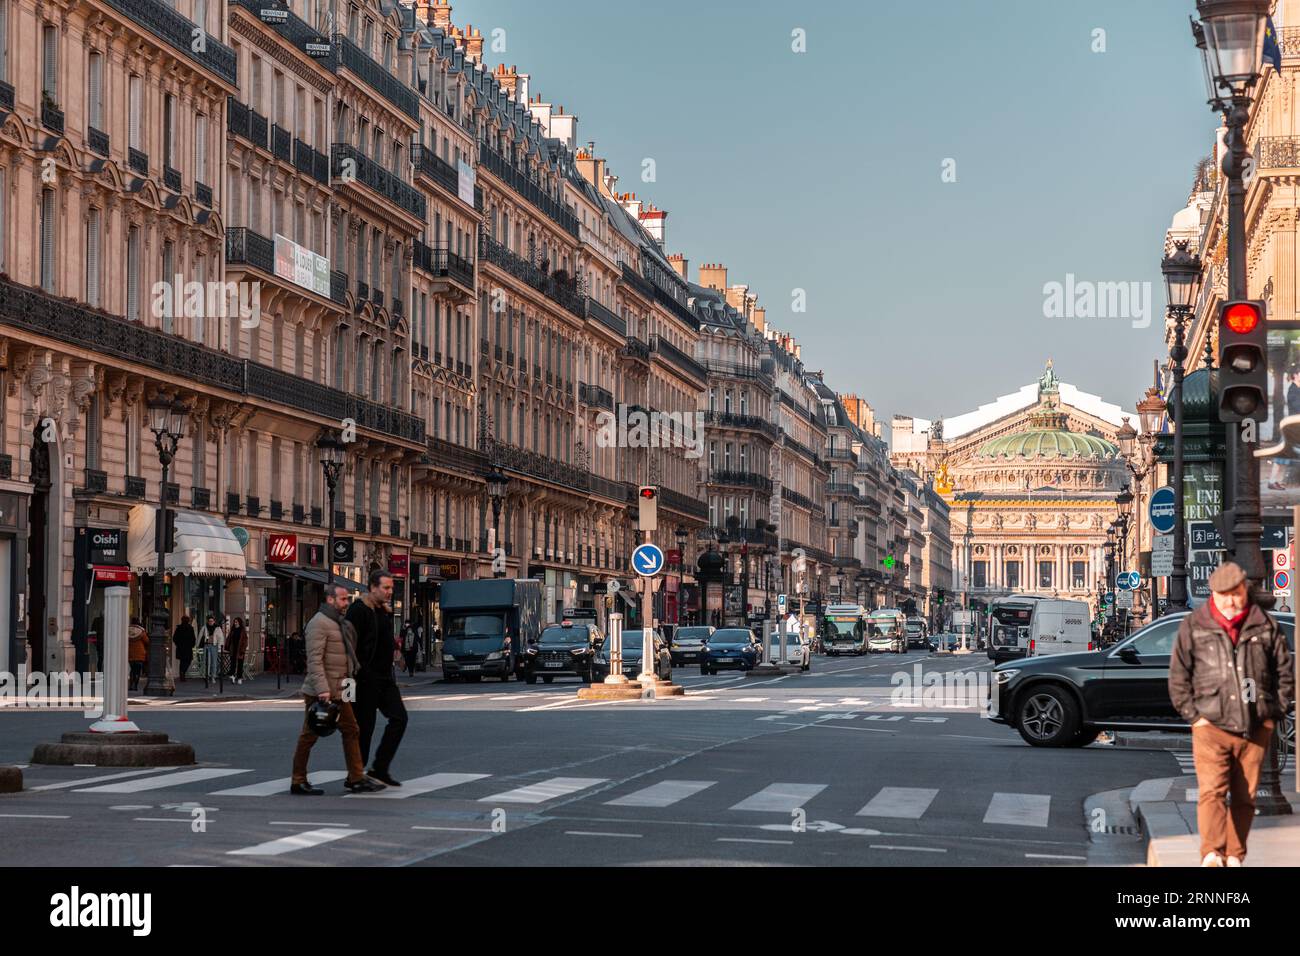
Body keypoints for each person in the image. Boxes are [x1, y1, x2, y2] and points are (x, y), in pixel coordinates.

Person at [1169, 561, 1295, 867]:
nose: (1231, 601)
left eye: (1236, 593)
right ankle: (1212, 852)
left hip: (1254, 725)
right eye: (1224, 595)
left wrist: (1271, 715)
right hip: (1210, 725)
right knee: (1212, 792)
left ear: (1244, 590)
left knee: (1244, 797)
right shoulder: (1195, 625)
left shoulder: (1264, 624)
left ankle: (1235, 855)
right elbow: (1178, 676)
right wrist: (1195, 718)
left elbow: (1285, 673)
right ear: (1213, 593)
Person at [291, 583, 384, 795]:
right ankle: (298, 779)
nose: (347, 603)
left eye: (347, 599)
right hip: (321, 692)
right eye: (343, 599)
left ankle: (356, 777)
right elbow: (314, 660)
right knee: (309, 736)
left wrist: (349, 689)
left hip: (340, 690)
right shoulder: (319, 623)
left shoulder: (339, 623)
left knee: (352, 730)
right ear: (330, 600)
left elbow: (345, 661)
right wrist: (322, 690)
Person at [347, 570, 407, 788]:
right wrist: (349, 681)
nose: (390, 592)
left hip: (384, 678)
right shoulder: (358, 610)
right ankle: (355, 775)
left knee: (400, 718)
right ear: (372, 587)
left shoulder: (382, 611)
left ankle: (380, 768)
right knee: (364, 728)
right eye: (386, 588)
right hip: (364, 678)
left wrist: (396, 652)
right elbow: (348, 644)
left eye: (391, 588)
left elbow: (384, 640)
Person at [197, 613, 224, 685]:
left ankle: (213, 677)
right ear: (207, 621)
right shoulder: (205, 627)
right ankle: (207, 676)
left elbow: (221, 638)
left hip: (214, 646)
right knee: (207, 661)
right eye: (209, 621)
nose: (210, 622)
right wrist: (197, 645)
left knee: (214, 662)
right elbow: (200, 636)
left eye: (212, 621)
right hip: (207, 645)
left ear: (214, 621)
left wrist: (220, 647)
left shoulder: (217, 628)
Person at [172, 616, 196, 682]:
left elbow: (174, 638)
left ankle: (182, 673)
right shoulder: (190, 628)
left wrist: (178, 644)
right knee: (188, 661)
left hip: (181, 647)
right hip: (187, 647)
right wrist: (192, 644)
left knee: (182, 661)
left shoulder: (179, 628)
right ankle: (183, 673)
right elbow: (193, 638)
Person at [127, 619, 148, 691]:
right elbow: (147, 641)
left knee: (132, 670)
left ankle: (130, 685)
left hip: (130, 653)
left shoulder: (127, 630)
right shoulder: (141, 631)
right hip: (140, 654)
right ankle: (135, 686)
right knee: (138, 671)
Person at [226, 617, 247, 684]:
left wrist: (243, 649)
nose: (235, 623)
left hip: (240, 650)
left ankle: (239, 678)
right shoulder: (233, 630)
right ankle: (232, 676)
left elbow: (245, 641)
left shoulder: (242, 630)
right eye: (234, 622)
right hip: (233, 649)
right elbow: (228, 639)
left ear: (239, 623)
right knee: (233, 664)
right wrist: (227, 647)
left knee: (240, 664)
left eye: (236, 622)